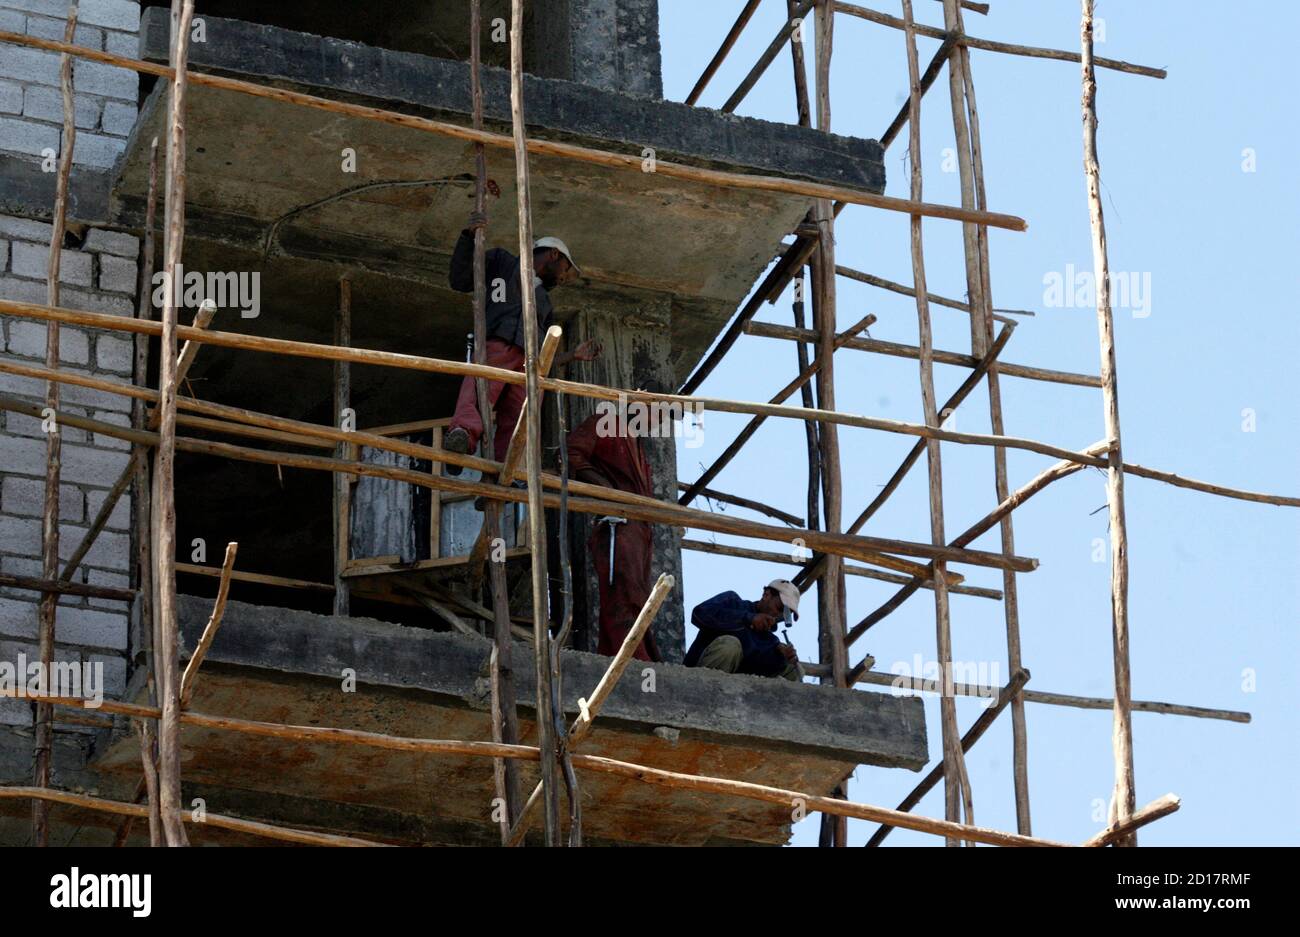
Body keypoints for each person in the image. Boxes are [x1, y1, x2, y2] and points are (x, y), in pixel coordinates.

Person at [443, 213, 600, 472]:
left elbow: (543, 352)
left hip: (530, 364)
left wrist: (573, 355)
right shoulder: (502, 263)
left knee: (522, 418)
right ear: (553, 255)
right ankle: (462, 435)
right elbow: (459, 280)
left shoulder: (545, 303)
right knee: (478, 388)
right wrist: (468, 237)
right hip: (498, 342)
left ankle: (506, 469)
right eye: (565, 270)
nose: (563, 278)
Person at [566, 390, 665, 662]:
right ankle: (631, 658)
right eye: (655, 411)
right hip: (617, 526)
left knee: (638, 597)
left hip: (639, 531)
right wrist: (603, 486)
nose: (657, 421)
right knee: (622, 593)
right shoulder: (606, 423)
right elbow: (571, 452)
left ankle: (620, 656)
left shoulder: (639, 451)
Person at [684, 580, 803, 681]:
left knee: (795, 669)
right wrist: (747, 618)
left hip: (735, 694)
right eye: (780, 608)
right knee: (730, 645)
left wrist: (781, 658)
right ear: (766, 595)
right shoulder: (733, 602)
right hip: (698, 681)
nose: (779, 615)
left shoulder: (771, 642)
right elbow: (699, 613)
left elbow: (756, 669)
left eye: (786, 615)